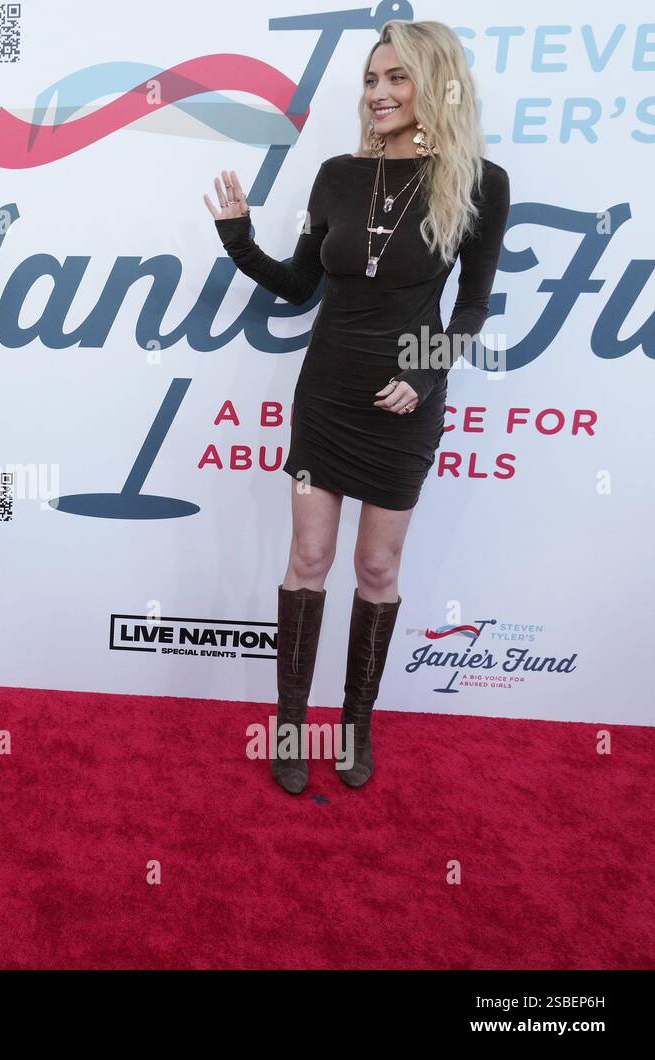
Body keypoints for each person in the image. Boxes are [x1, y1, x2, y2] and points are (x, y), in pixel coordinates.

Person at [202, 21, 510, 794]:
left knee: (377, 565)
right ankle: (292, 722)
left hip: (407, 403)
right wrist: (238, 239)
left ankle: (358, 726)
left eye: (396, 79)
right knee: (309, 558)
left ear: (435, 84)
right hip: (328, 395)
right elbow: (302, 286)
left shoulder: (480, 183)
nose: (378, 94)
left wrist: (428, 373)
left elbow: (473, 307)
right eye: (372, 80)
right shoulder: (338, 176)